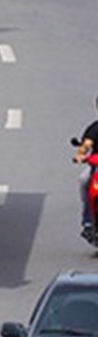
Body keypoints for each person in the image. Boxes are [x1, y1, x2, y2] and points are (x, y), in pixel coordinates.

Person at [73, 95, 98, 237]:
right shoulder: (94, 128)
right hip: (96, 167)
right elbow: (86, 145)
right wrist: (81, 155)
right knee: (84, 180)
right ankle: (88, 220)